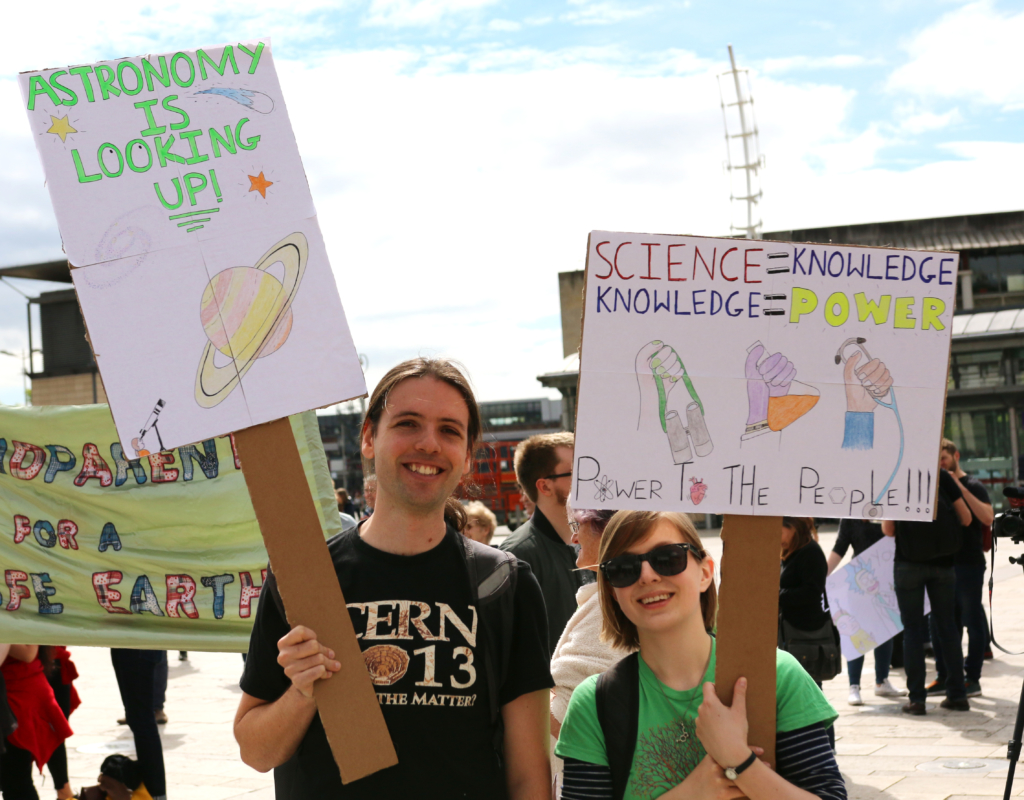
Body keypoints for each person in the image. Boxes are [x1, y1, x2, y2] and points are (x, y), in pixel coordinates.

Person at [234, 357, 554, 799]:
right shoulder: (304, 579)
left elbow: (529, 776)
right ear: (369, 437)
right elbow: (255, 751)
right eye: (407, 423)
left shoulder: (504, 584)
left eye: (449, 430)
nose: (429, 444)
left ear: (466, 458)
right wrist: (302, 692)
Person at [555, 511, 846, 800]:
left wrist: (739, 762)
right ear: (612, 591)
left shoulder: (777, 676)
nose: (647, 575)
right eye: (623, 568)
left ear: (706, 572)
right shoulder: (594, 703)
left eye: (668, 558)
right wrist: (693, 793)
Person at [882, 466, 973, 715]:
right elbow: (966, 519)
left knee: (912, 630)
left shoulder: (897, 474)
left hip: (908, 565)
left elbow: (888, 530)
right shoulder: (942, 476)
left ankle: (917, 700)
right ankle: (957, 694)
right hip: (944, 566)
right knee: (947, 627)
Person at [549, 507, 624, 790]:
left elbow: (565, 718)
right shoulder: (607, 602)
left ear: (607, 527)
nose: (572, 537)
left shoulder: (609, 609)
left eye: (576, 524)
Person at [500, 432, 582, 653]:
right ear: (545, 487)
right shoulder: (516, 556)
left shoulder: (600, 543)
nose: (589, 478)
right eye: (577, 472)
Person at [927, 439, 994, 698]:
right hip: (941, 566)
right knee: (942, 625)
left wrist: (957, 488)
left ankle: (972, 677)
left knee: (972, 622)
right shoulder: (935, 488)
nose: (940, 465)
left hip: (969, 566)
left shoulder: (973, 485)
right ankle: (946, 676)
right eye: (937, 461)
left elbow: (988, 517)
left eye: (943, 459)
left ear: (956, 456)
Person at [827, 519, 907, 704]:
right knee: (857, 632)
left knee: (885, 630)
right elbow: (840, 547)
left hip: (886, 579)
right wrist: (823, 574)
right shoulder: (850, 517)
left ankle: (882, 681)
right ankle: (854, 686)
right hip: (858, 582)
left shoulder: (891, 510)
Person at [779, 517, 837, 750]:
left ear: (793, 528)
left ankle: (826, 749)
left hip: (807, 638)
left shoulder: (810, 552)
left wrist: (776, 593)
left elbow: (811, 593)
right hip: (795, 636)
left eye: (779, 529)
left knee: (813, 697)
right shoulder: (793, 551)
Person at [1, 645, 74, 800]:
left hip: (20, 695)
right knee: (15, 779)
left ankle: (65, 792)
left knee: (16, 780)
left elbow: (29, 652)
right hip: (18, 690)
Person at [111, 648, 167, 799]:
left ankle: (156, 793)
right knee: (137, 719)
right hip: (125, 644)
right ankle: (152, 792)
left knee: (142, 721)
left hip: (137, 647)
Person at [45, 647, 81, 800]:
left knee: (55, 734)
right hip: (48, 665)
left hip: (49, 665)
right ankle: (64, 792)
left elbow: (28, 654)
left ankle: (64, 792)